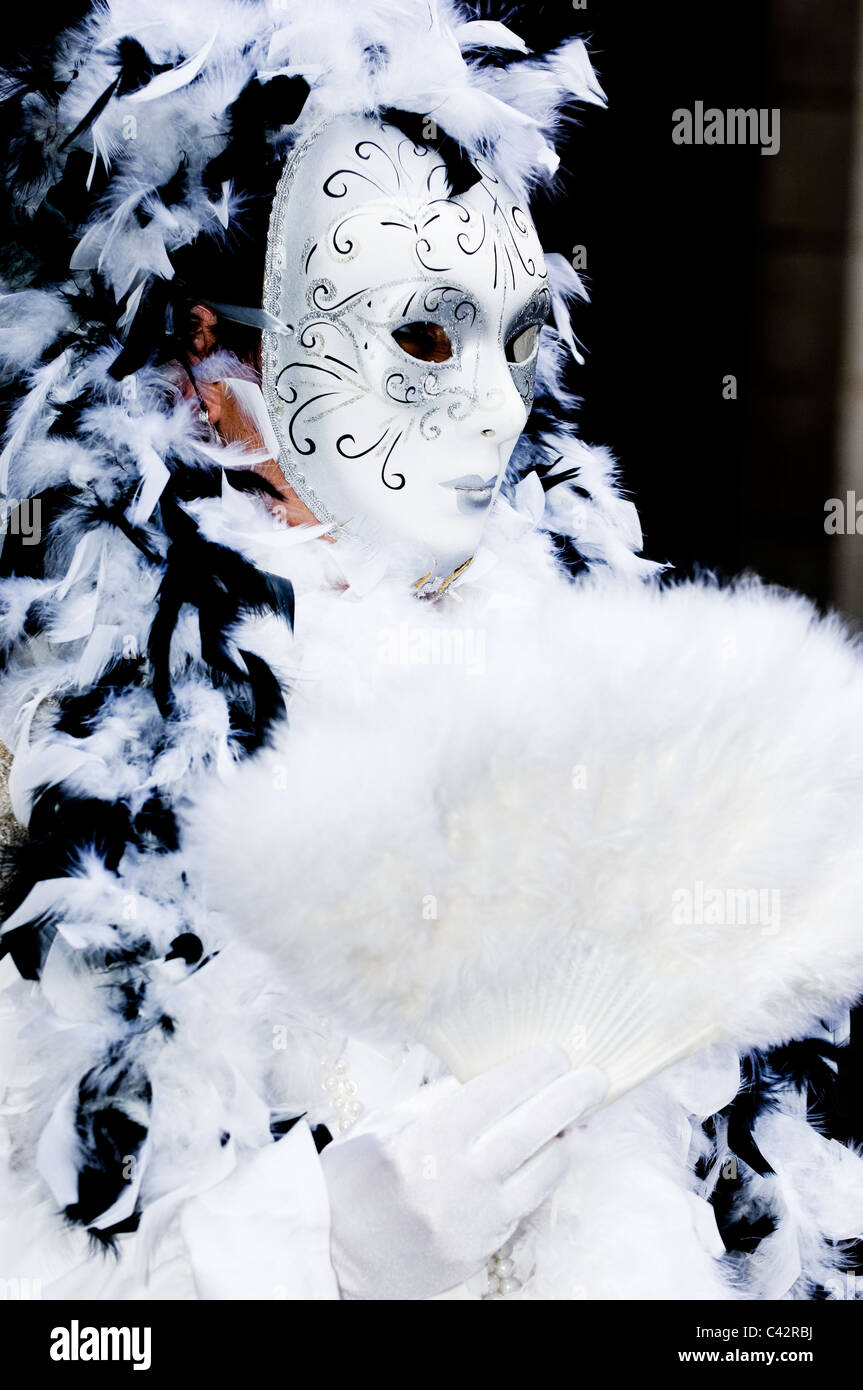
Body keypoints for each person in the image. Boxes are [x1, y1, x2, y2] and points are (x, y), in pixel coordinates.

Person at [1, 0, 862, 1302]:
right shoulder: (54, 731)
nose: (497, 405)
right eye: (419, 335)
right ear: (211, 355)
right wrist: (306, 1253)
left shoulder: (582, 666)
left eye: (522, 340)